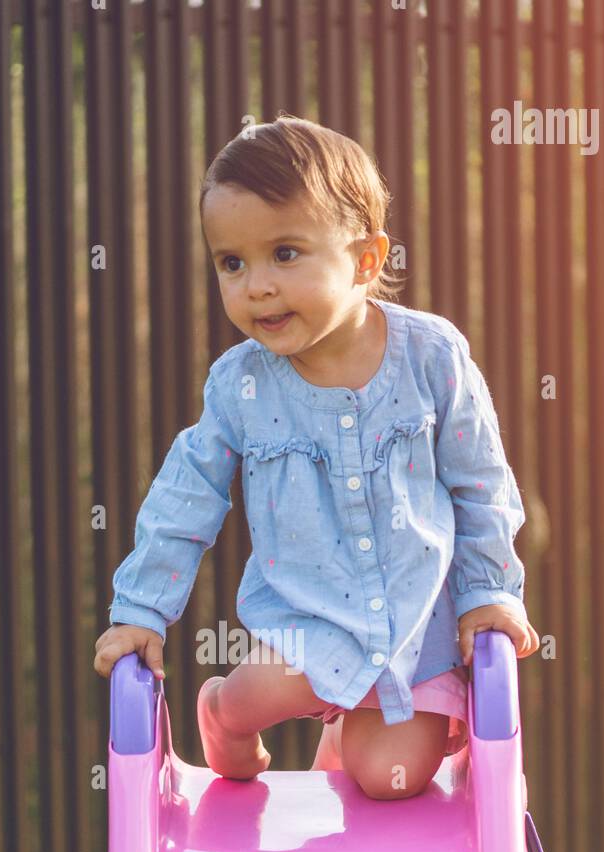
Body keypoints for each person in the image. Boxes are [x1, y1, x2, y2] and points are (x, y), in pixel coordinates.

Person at [94, 115, 540, 799]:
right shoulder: (241, 384)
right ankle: (221, 713)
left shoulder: (431, 358)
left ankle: (347, 728)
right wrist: (140, 611)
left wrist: (488, 592)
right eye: (231, 263)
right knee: (256, 693)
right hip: (307, 621)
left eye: (285, 253)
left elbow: (480, 485)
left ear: (365, 260)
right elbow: (185, 498)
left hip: (413, 630)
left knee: (388, 780)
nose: (257, 286)